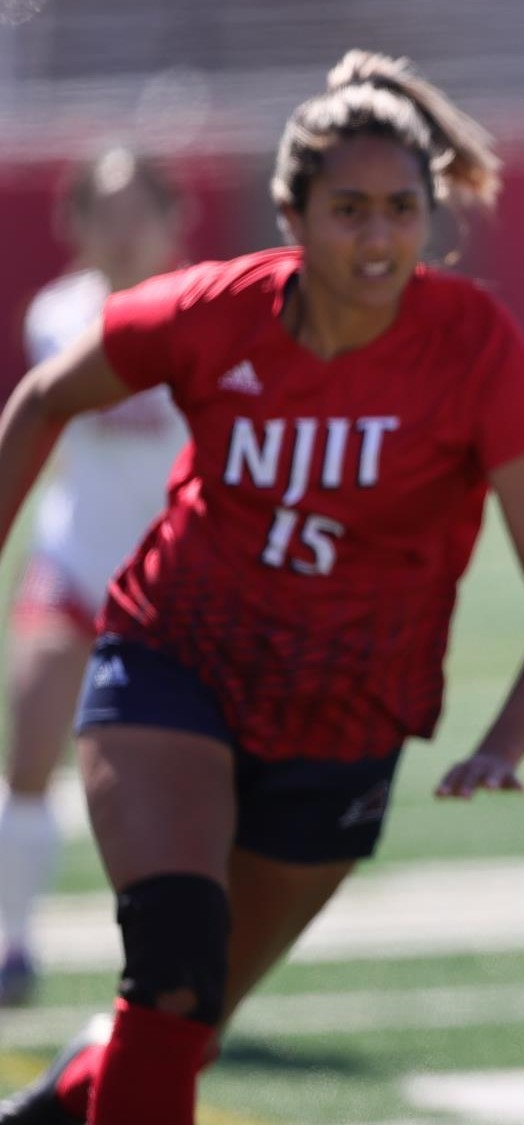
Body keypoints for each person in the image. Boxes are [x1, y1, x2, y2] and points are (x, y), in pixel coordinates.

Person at [0, 50, 524, 1125]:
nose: (377, 238)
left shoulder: (473, 344)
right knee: (173, 968)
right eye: (348, 210)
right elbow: (44, 399)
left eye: (401, 210)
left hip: (348, 714)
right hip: (177, 659)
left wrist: (506, 740)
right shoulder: (213, 310)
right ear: (291, 215)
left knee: (189, 1021)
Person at [0, 147, 190, 1009]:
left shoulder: (209, 313)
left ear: (172, 219)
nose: (120, 232)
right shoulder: (59, 315)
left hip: (173, 586)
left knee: (177, 789)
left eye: (136, 212)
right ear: (72, 224)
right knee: (30, 751)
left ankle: (175, 958)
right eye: (101, 213)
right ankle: (12, 944)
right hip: (74, 568)